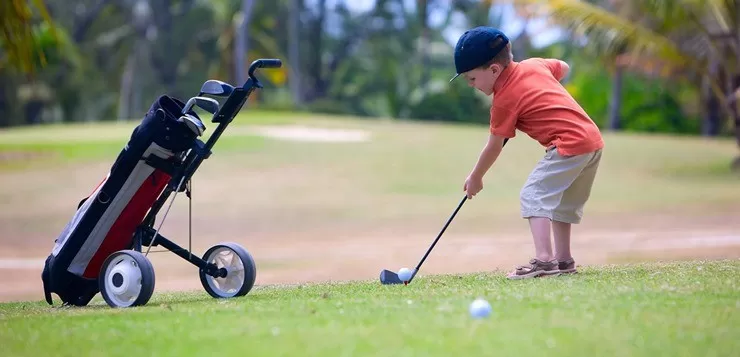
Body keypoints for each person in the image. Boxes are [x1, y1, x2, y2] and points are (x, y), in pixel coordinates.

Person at [450, 26, 605, 280]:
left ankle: (544, 261)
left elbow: (494, 145)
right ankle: (564, 261)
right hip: (592, 141)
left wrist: (476, 177)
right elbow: (563, 67)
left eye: (472, 79)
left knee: (534, 195)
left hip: (568, 144)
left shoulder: (504, 100)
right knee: (562, 204)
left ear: (494, 70)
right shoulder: (535, 65)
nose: (471, 85)